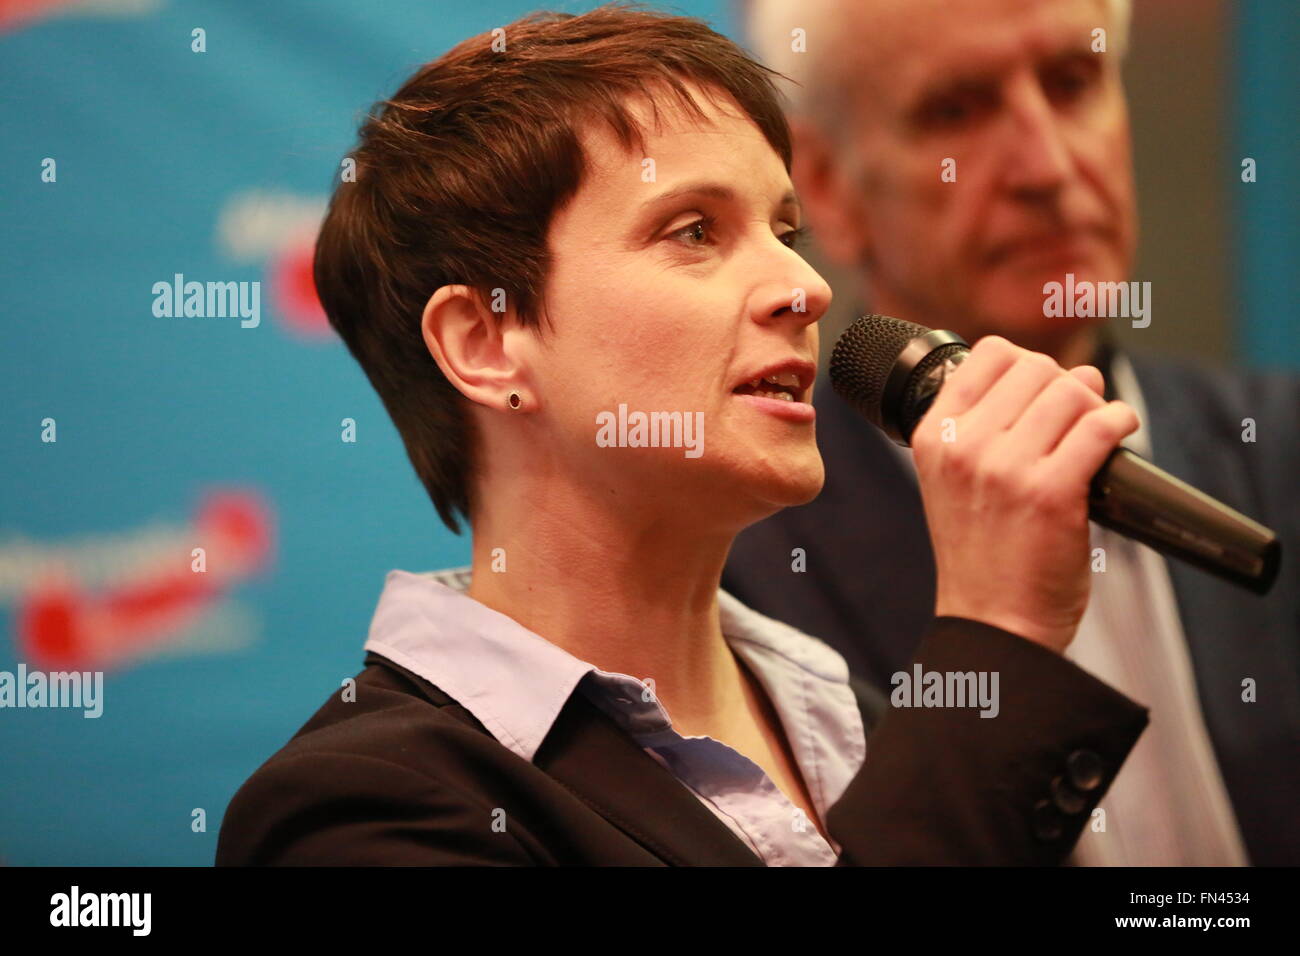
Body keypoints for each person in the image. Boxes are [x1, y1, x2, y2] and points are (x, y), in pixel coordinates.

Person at [215, 5, 1148, 867]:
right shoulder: (364, 810)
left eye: (789, 231)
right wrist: (998, 634)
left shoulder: (856, 724)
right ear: (487, 341)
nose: (804, 287)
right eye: (695, 231)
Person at [726, 0, 1300, 864]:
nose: (1047, 163)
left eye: (1073, 83)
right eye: (955, 110)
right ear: (832, 190)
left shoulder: (1279, 450)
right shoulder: (741, 572)